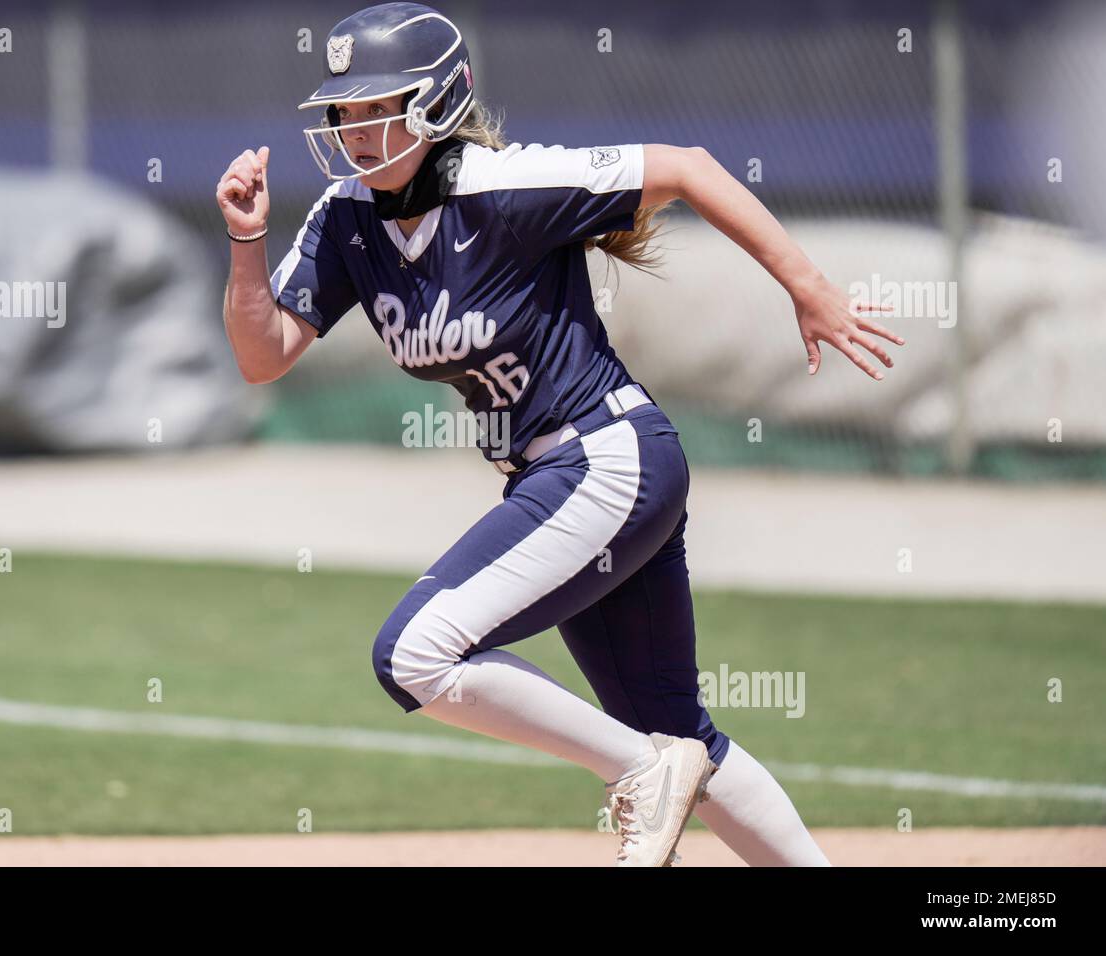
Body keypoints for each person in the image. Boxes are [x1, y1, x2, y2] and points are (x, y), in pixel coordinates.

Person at [216, 2, 903, 866]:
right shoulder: (347, 219)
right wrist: (246, 242)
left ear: (434, 103)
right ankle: (676, 775)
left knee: (414, 653)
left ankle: (641, 772)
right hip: (572, 478)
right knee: (677, 730)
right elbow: (262, 354)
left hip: (605, 459)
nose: (355, 128)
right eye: (343, 110)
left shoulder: (504, 188)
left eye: (376, 104)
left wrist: (809, 287)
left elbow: (687, 167)